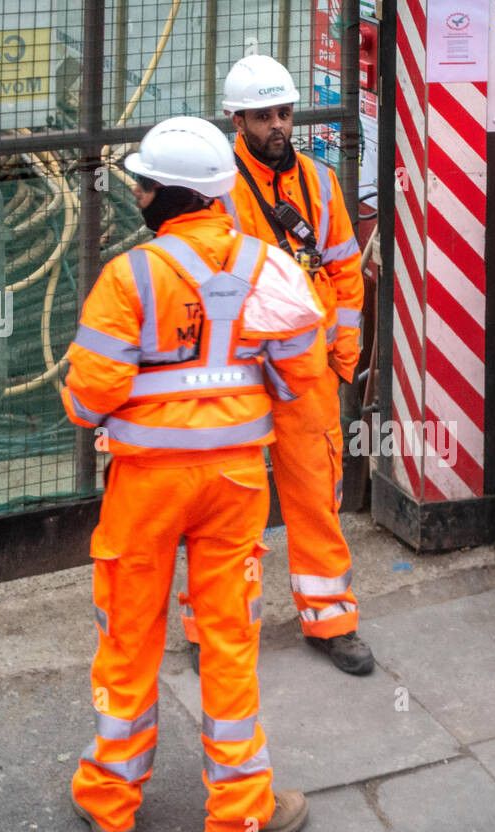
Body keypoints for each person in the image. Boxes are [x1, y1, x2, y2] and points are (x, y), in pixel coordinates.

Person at [63, 116, 327, 832]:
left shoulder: (130, 276)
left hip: (147, 486)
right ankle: (239, 812)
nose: (137, 192)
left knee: (130, 635)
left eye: (143, 183)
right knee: (228, 638)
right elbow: (303, 373)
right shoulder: (268, 265)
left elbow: (89, 399)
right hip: (238, 480)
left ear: (167, 196)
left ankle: (111, 801)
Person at [180, 53, 372, 676]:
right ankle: (216, 624)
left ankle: (331, 619)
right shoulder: (216, 191)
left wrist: (341, 352)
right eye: (262, 116)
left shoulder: (319, 181)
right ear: (237, 120)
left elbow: (344, 268)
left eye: (283, 113)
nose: (277, 126)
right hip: (237, 367)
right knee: (230, 499)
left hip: (306, 367)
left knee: (316, 493)